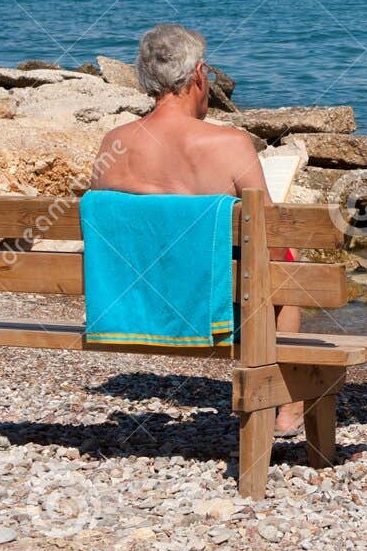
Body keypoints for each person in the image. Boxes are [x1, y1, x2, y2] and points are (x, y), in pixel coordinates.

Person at [91, 23, 303, 435]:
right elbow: (270, 242)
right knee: (288, 264)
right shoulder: (229, 144)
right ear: (200, 75)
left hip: (136, 296)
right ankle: (288, 407)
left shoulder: (112, 144)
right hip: (216, 302)